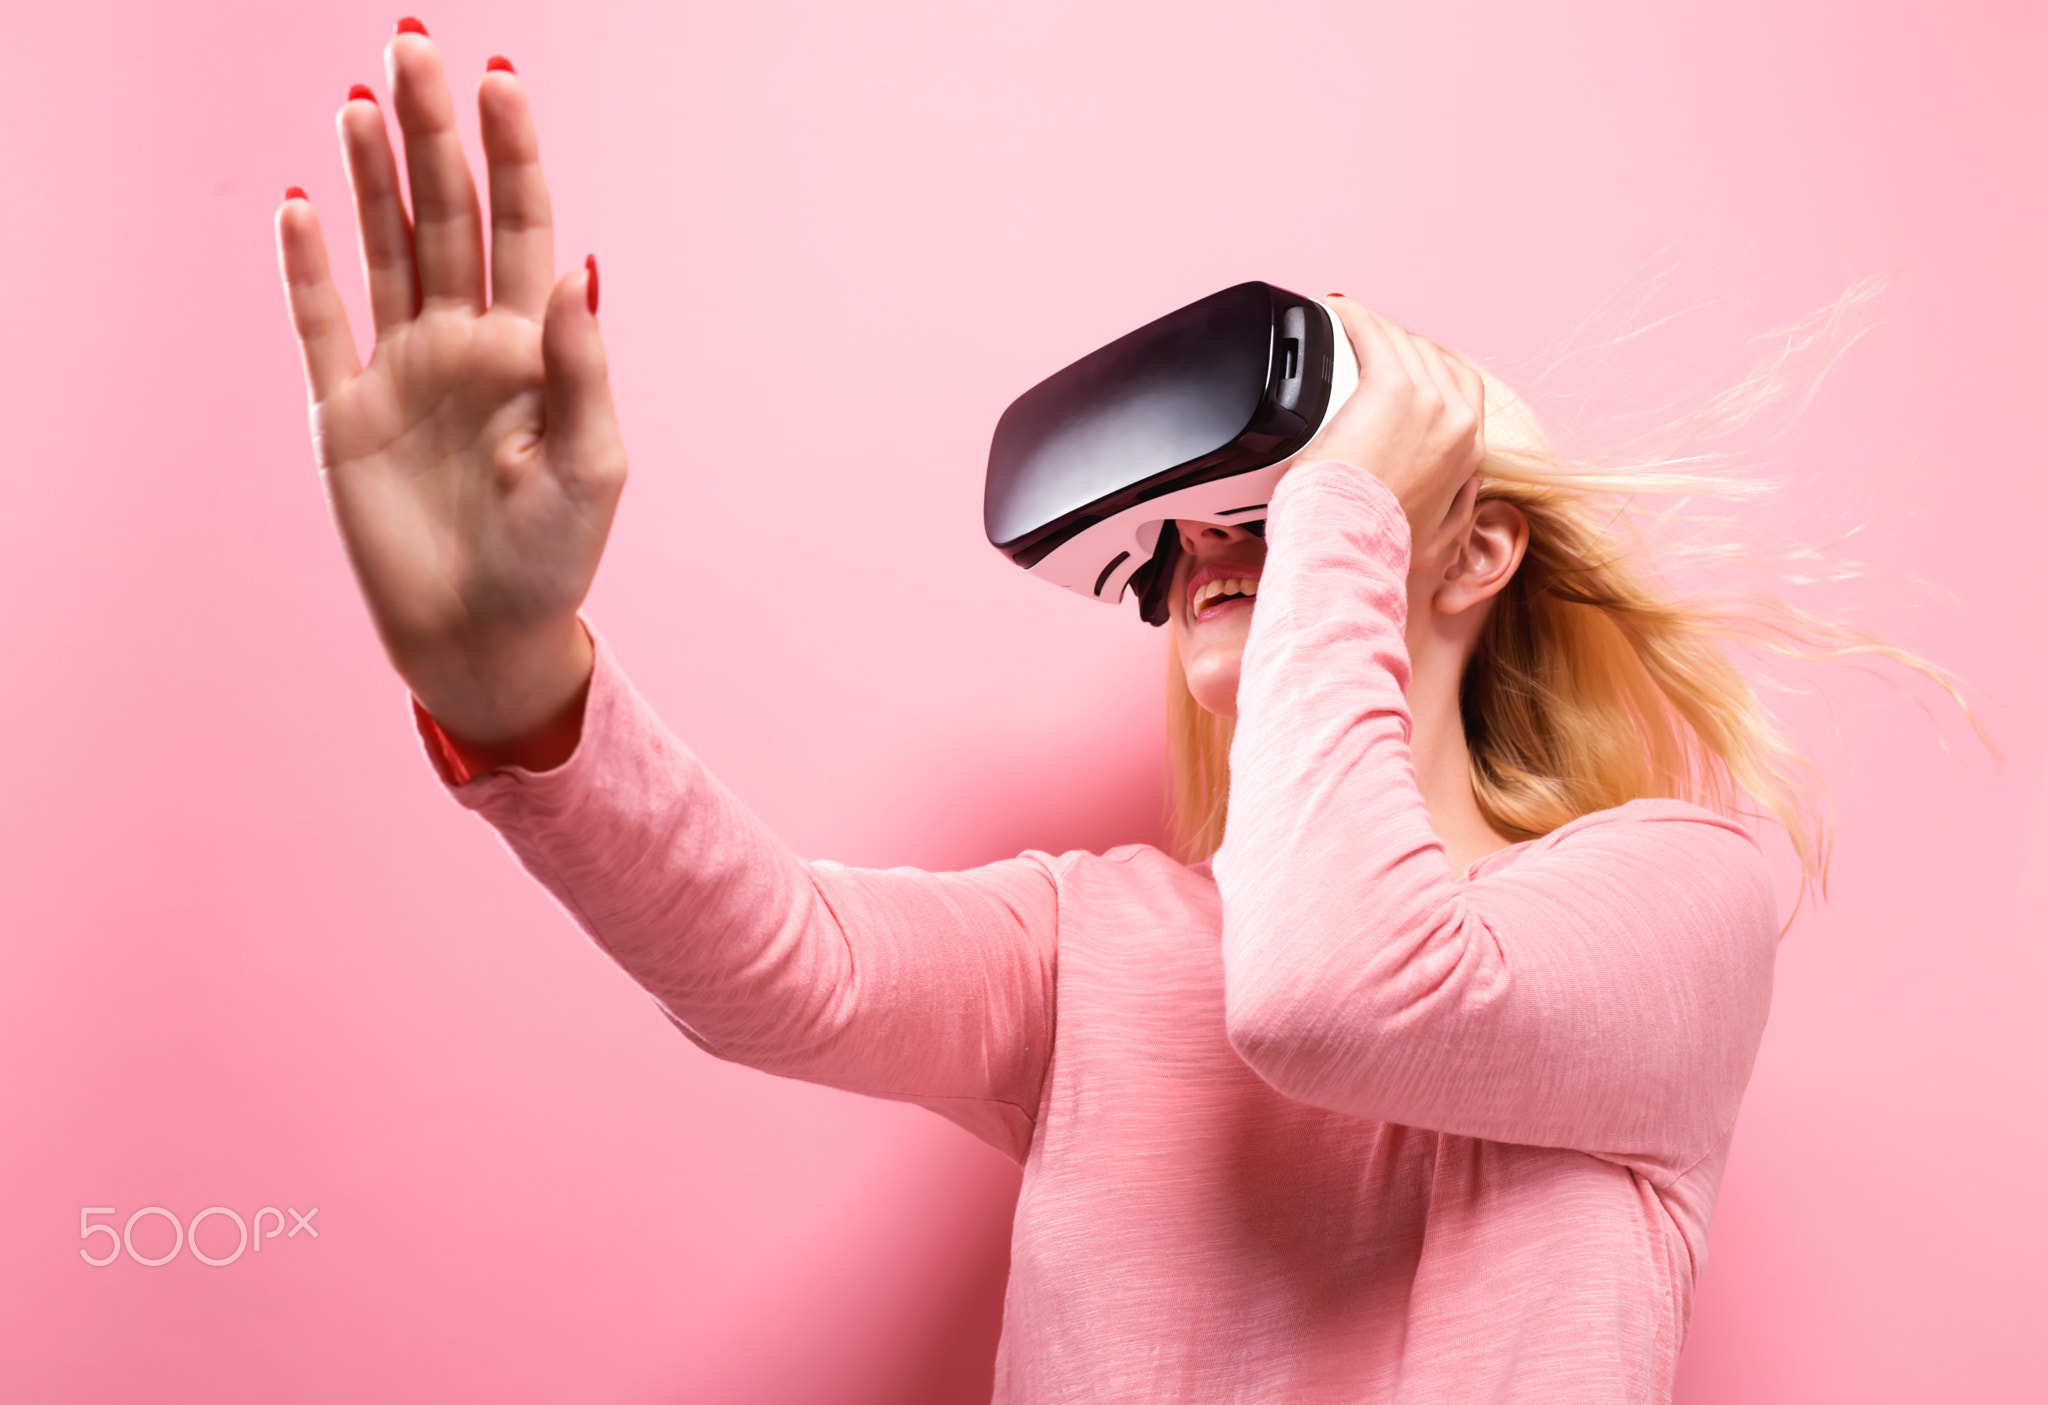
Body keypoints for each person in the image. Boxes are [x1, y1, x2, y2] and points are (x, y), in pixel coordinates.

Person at [273, 23, 1943, 1404]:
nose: (1218, 544)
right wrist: (510, 673)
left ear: (1473, 544)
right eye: (1192, 526)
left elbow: (1340, 990)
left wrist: (1349, 519)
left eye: (1277, 498)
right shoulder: (1099, 942)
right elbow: (784, 968)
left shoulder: (1678, 890)